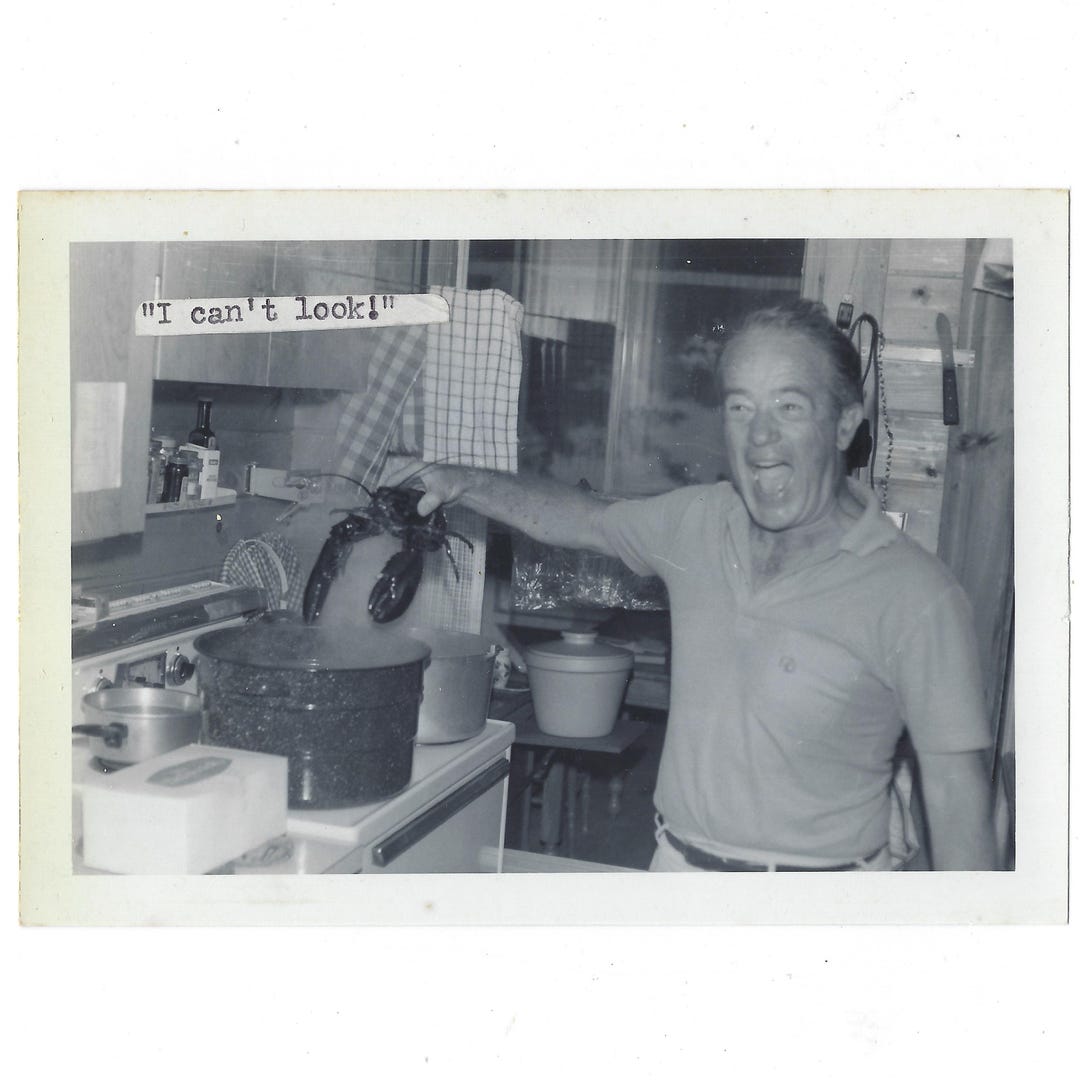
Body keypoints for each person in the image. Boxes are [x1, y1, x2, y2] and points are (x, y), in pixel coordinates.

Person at [403, 299, 998, 871]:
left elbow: (954, 796)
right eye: (741, 408)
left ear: (845, 424)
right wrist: (460, 482)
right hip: (678, 872)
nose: (759, 435)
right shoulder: (699, 521)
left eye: (789, 407)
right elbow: (581, 518)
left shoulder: (916, 594)